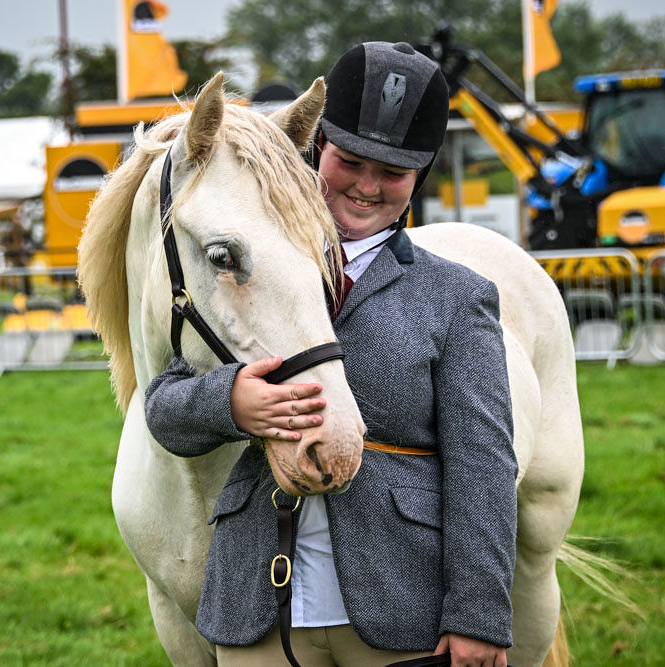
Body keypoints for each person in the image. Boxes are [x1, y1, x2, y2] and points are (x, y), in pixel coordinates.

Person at [144, 41, 517, 667]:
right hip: (257, 610)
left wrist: (477, 615)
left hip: (400, 609)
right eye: (350, 161)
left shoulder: (458, 298)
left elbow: (483, 466)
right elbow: (163, 409)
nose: (367, 188)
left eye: (393, 173)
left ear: (419, 177)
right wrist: (231, 402)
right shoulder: (251, 271)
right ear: (320, 149)